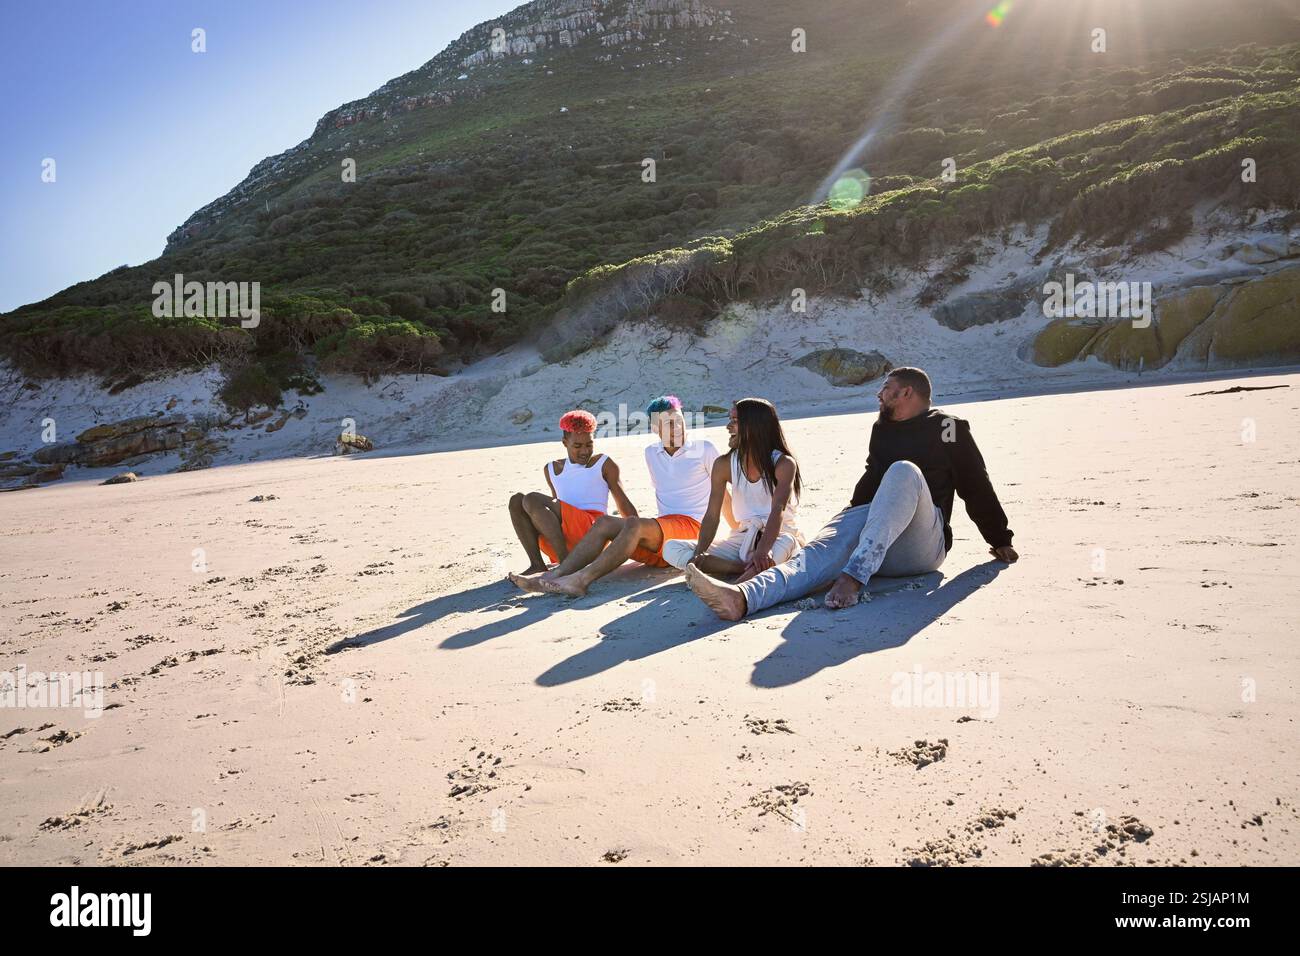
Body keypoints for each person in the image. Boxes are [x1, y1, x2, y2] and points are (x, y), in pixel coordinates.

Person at [685, 367, 1019, 619]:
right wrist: (842, 524)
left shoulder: (948, 427)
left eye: (886, 388)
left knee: (902, 471)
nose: (879, 394)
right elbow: (871, 479)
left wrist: (999, 537)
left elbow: (975, 483)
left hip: (920, 547)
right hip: (875, 540)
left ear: (907, 393)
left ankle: (854, 577)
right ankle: (743, 597)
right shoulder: (883, 427)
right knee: (815, 554)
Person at [511, 395, 730, 597]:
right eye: (669, 424)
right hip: (664, 537)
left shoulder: (704, 449)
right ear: (655, 428)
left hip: (692, 529)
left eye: (680, 421)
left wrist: (739, 533)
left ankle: (579, 580)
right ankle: (555, 575)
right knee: (606, 522)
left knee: (633, 523)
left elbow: (725, 495)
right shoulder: (651, 453)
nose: (678, 428)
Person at [663, 398, 804, 583]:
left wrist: (762, 552)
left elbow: (778, 509)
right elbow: (712, 515)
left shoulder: (783, 463)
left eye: (735, 421)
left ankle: (738, 584)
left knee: (784, 545)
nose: (728, 426)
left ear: (755, 426)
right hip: (743, 539)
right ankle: (743, 569)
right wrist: (699, 555)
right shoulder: (724, 464)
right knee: (671, 548)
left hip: (778, 537)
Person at [506, 409, 636, 575]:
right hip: (563, 539)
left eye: (589, 445)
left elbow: (622, 501)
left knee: (532, 499)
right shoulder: (551, 469)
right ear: (564, 442)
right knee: (517, 501)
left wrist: (639, 531)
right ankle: (537, 564)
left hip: (594, 532)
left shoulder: (603, 463)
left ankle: (565, 564)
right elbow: (552, 511)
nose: (585, 451)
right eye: (577, 446)